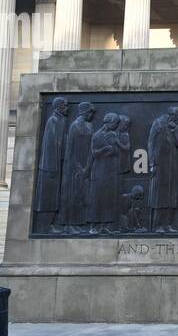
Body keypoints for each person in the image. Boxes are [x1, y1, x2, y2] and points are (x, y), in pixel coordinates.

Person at [147, 106, 178, 233]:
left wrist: (175, 130)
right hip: (159, 164)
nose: (177, 120)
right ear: (171, 114)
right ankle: (157, 225)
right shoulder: (158, 123)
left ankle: (167, 224)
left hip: (172, 164)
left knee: (171, 195)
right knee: (159, 196)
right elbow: (151, 143)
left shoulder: (176, 126)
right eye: (177, 118)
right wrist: (151, 163)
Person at [34, 97, 69, 231]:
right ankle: (44, 226)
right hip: (50, 166)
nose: (67, 107)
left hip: (58, 164)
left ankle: (51, 224)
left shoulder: (62, 120)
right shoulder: (52, 120)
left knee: (54, 197)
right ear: (58, 106)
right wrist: (52, 167)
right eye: (65, 105)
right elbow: (50, 145)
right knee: (46, 197)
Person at [60, 102, 95, 232]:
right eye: (90, 112)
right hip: (74, 167)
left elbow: (91, 146)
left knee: (82, 196)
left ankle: (79, 223)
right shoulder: (74, 126)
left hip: (87, 165)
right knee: (72, 195)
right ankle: (69, 225)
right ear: (84, 112)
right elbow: (71, 150)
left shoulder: (89, 126)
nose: (91, 115)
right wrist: (79, 167)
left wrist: (87, 166)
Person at [87, 113, 123, 234]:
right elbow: (94, 153)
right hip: (99, 170)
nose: (116, 125)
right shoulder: (97, 135)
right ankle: (93, 226)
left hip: (111, 170)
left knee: (109, 198)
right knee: (97, 198)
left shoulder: (113, 134)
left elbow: (118, 151)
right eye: (115, 123)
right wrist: (105, 149)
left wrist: (115, 149)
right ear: (110, 122)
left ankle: (106, 226)